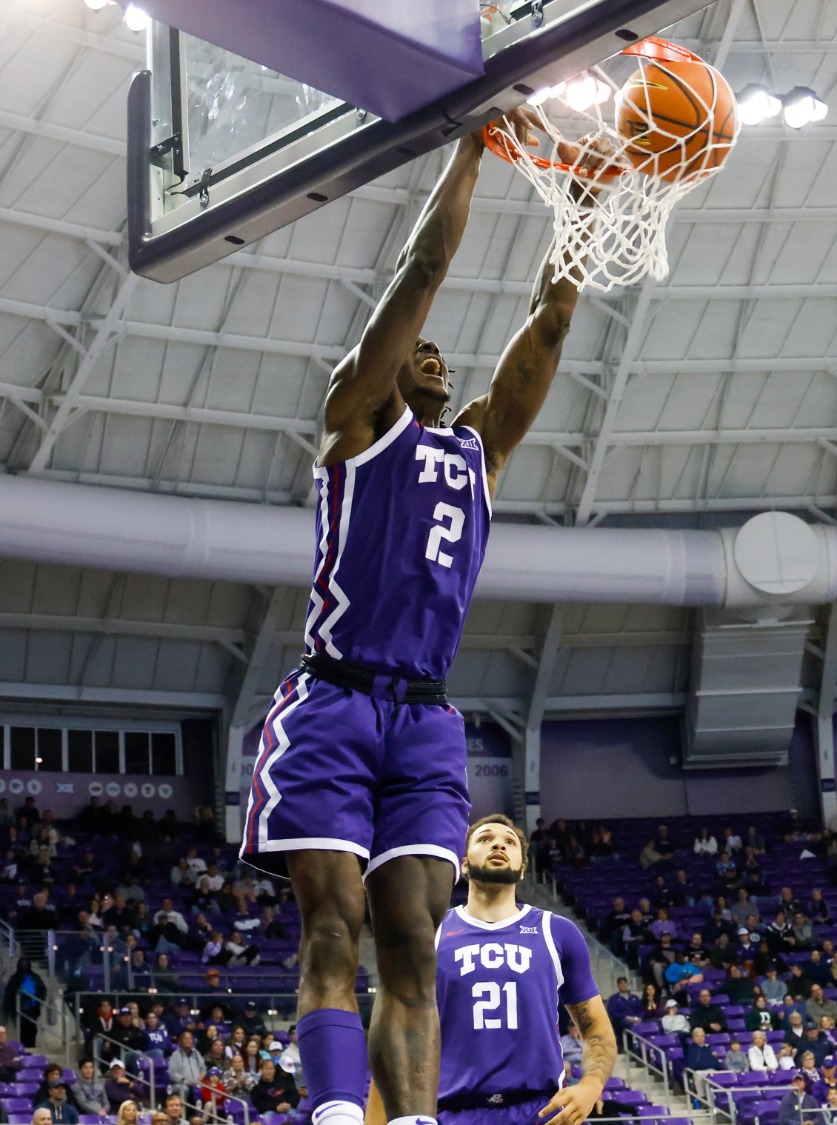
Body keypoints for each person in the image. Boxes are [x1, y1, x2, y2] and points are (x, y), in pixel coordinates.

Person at [236, 104, 578, 1125]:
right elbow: (424, 265)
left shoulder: (476, 452)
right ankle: (339, 1113)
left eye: (438, 355)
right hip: (333, 698)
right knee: (333, 926)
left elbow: (552, 323)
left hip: (424, 716)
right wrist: (472, 146)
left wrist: (582, 198)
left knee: (412, 940)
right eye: (414, 349)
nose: (431, 354)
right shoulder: (354, 421)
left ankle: (417, 1118)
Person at [434, 815, 615, 1125]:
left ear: (521, 868)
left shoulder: (557, 932)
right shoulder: (432, 933)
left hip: (541, 1111)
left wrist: (590, 1086)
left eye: (509, 842)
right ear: (463, 864)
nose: (498, 844)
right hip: (453, 1111)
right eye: (485, 839)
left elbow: (596, 1030)